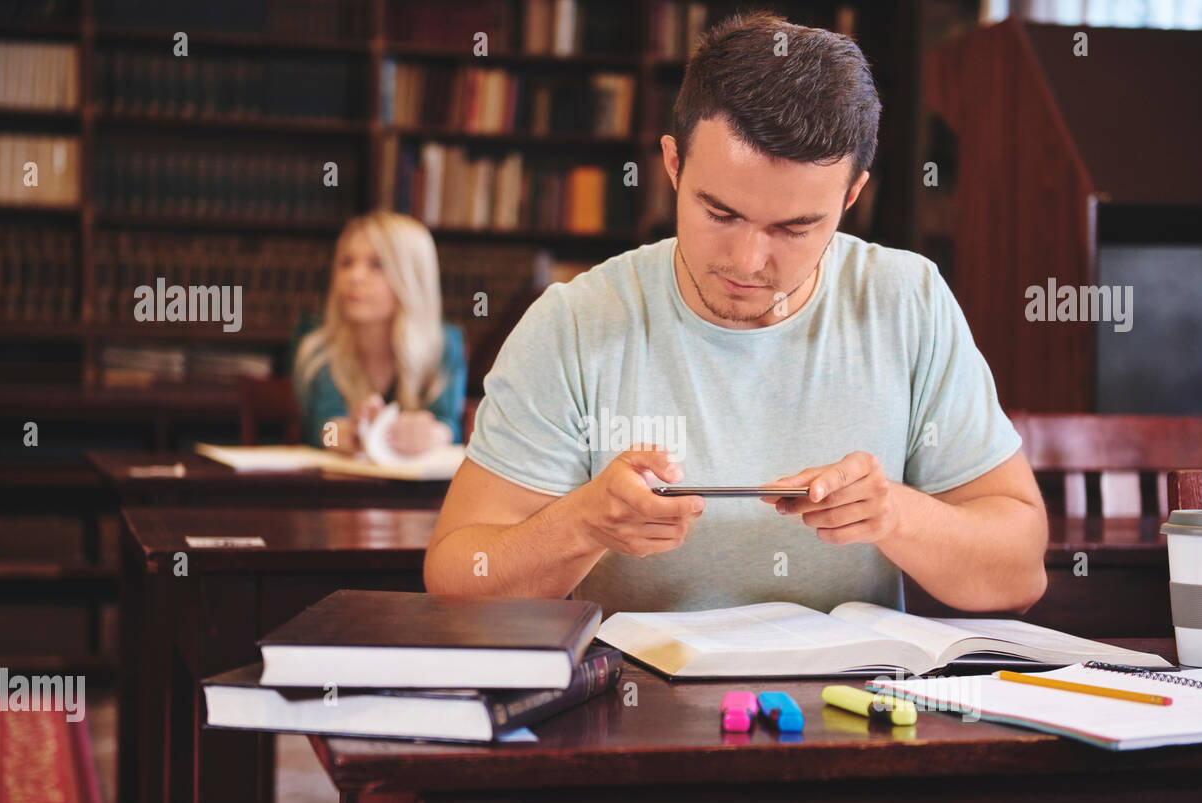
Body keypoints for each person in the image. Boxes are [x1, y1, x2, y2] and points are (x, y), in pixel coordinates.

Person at [424, 12, 1047, 617]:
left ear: (852, 195)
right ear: (673, 165)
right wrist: (583, 523)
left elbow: (1019, 573)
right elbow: (455, 586)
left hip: (854, 712)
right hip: (641, 713)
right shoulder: (574, 322)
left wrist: (895, 515)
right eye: (720, 213)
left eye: (795, 227)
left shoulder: (908, 301)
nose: (748, 261)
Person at [292, 211, 466, 454]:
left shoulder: (445, 342)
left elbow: (450, 425)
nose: (354, 277)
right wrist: (344, 433)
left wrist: (431, 435)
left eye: (377, 265)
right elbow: (319, 428)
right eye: (346, 263)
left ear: (412, 277)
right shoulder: (316, 344)